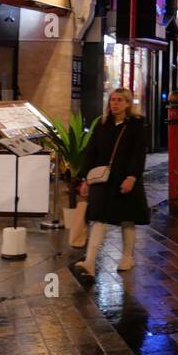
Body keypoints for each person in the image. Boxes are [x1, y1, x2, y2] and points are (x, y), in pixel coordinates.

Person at [74, 88, 150, 286]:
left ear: (127, 103)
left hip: (125, 178)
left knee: (127, 218)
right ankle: (89, 262)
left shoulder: (135, 125)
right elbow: (91, 151)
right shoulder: (102, 124)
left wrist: (132, 176)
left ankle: (127, 256)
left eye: (119, 100)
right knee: (98, 218)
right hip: (103, 179)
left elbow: (138, 153)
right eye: (112, 100)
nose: (114, 103)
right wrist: (83, 178)